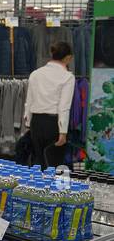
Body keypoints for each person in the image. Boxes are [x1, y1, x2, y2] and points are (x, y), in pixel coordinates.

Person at [24, 41, 76, 169]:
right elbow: (64, 107)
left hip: (36, 122)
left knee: (38, 162)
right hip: (54, 124)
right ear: (68, 58)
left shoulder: (35, 74)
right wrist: (63, 132)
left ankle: (36, 188)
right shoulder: (67, 77)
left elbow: (28, 102)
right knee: (54, 164)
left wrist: (28, 124)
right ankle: (50, 189)